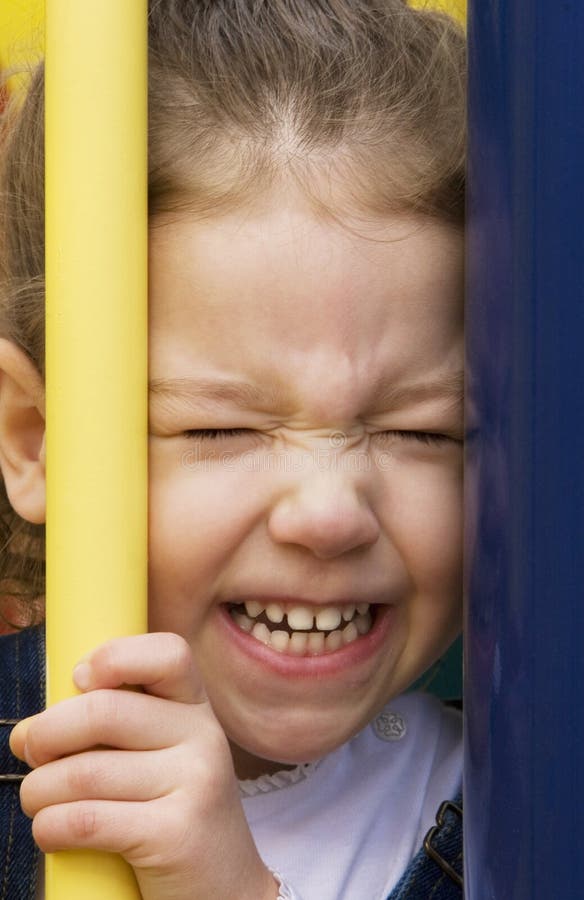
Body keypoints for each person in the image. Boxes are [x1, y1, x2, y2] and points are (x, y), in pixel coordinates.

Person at [0, 1, 466, 898]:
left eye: (423, 431)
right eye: (223, 428)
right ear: (35, 440)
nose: (329, 514)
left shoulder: (532, 808)